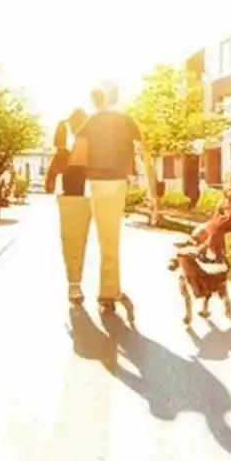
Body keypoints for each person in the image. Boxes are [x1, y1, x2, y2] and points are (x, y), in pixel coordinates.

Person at [68, 81, 156, 317]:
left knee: (97, 239)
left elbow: (78, 155)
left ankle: (101, 290)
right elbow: (144, 155)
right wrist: (152, 192)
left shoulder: (91, 122)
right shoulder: (126, 121)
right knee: (109, 240)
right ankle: (108, 293)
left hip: (94, 184)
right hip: (115, 184)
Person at [47, 109, 90, 305]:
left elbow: (49, 183)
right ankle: (75, 283)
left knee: (74, 243)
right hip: (77, 201)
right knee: (75, 243)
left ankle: (75, 284)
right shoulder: (66, 151)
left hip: (77, 200)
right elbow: (50, 181)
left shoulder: (67, 151)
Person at [178, 172, 231, 270]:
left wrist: (226, 198)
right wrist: (222, 205)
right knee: (211, 226)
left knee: (215, 228)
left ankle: (207, 251)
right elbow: (225, 204)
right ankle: (199, 246)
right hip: (229, 218)